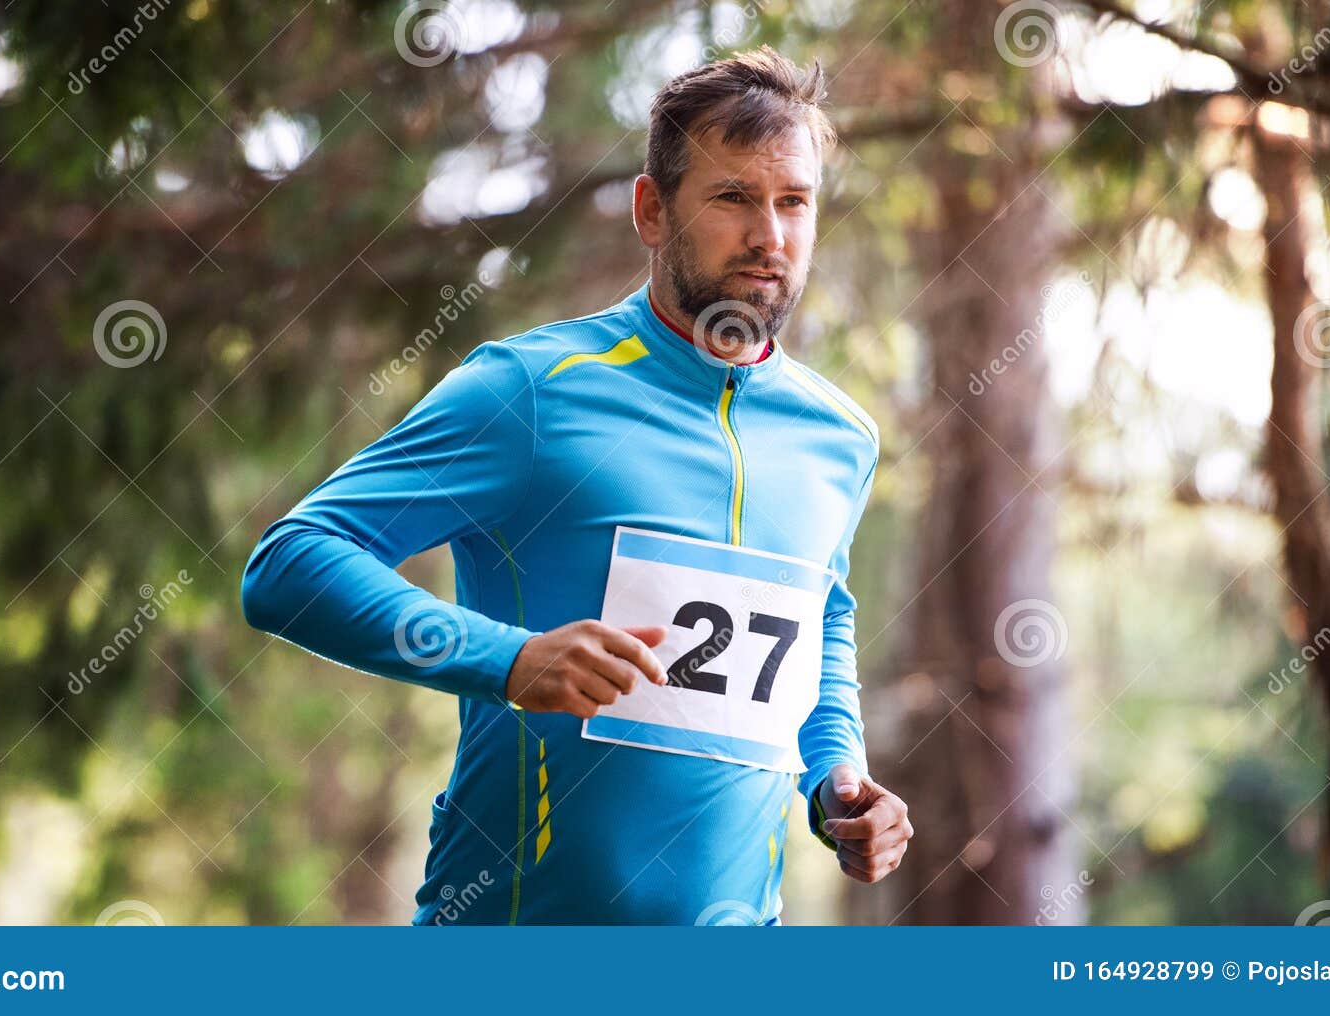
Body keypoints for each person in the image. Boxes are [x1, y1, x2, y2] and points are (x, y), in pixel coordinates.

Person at [242, 45, 912, 925]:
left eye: (794, 201)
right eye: (731, 198)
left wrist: (838, 777)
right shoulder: (531, 392)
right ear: (650, 210)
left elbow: (821, 616)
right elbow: (290, 565)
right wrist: (508, 660)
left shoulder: (840, 437)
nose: (770, 236)